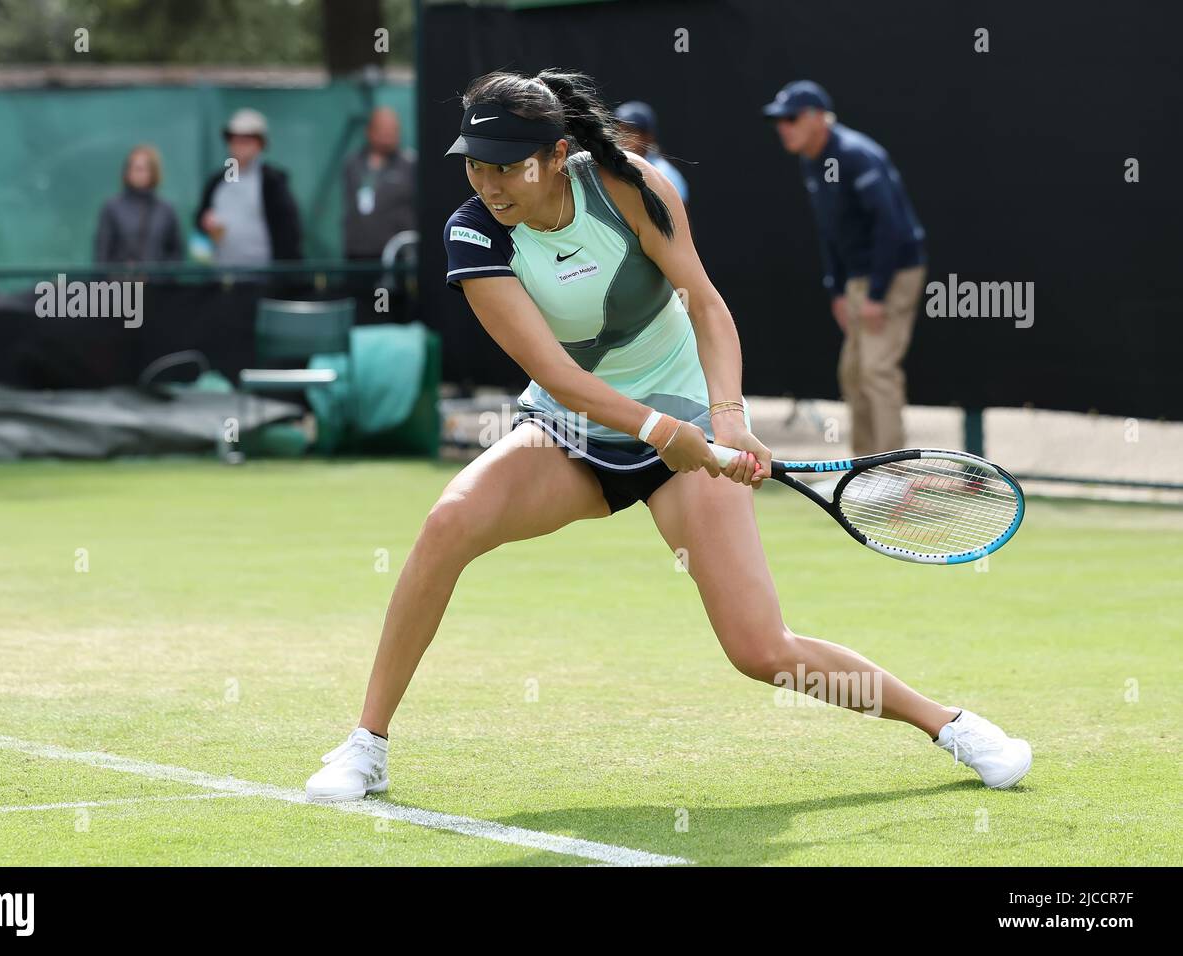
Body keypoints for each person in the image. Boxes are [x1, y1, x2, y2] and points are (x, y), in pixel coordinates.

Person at [305, 69, 1030, 802]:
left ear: (557, 155)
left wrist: (726, 416)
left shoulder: (628, 185)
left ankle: (952, 726)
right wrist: (656, 429)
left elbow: (706, 305)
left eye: (507, 165)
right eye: (475, 163)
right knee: (449, 523)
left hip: (685, 418)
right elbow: (553, 371)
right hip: (571, 431)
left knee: (761, 649)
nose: (489, 183)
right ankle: (367, 746)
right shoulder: (473, 231)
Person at [763, 80, 926, 456]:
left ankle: (892, 471)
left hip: (893, 274)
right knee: (854, 375)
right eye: (779, 120)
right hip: (857, 280)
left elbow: (892, 227)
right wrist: (836, 290)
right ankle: (866, 470)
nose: (783, 127)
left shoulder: (856, 155)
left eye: (791, 118)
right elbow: (830, 230)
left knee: (876, 371)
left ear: (819, 118)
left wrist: (877, 294)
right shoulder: (812, 160)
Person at [195, 109, 303, 268]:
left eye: (246, 140)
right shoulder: (216, 182)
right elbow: (201, 221)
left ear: (260, 144)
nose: (239, 146)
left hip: (263, 278)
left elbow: (288, 233)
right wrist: (204, 223)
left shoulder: (272, 182)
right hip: (224, 278)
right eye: (235, 140)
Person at [342, 106, 417, 261]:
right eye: (383, 129)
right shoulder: (353, 164)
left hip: (398, 252)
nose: (388, 135)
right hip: (358, 253)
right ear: (370, 131)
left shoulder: (409, 164)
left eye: (393, 130)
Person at [94, 144, 183, 268]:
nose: (138, 173)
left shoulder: (166, 210)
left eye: (143, 168)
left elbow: (176, 256)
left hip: (157, 286)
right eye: (134, 168)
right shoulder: (111, 208)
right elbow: (102, 256)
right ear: (127, 172)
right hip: (120, 285)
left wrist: (154, 275)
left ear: (153, 172)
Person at [613, 100, 688, 204]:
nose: (621, 138)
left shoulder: (666, 175)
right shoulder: (609, 168)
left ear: (648, 137)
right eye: (617, 131)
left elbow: (680, 218)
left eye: (629, 131)